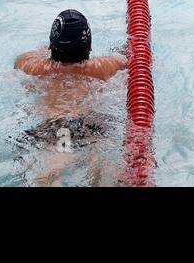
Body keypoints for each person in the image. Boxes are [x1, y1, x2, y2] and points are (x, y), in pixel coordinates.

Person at [15, 10, 128, 186]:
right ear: (89, 47)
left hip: (54, 129)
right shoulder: (101, 67)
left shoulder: (33, 67)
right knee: (101, 170)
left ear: (52, 45)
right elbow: (129, 58)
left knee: (50, 175)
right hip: (92, 126)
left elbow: (20, 61)